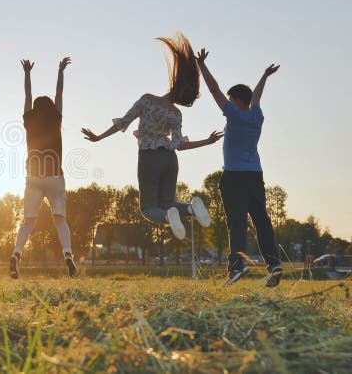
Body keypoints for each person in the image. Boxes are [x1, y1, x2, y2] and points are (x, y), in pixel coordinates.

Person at [81, 33, 221, 242]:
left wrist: (99, 137)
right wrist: (207, 142)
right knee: (169, 202)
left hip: (149, 157)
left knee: (149, 208)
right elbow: (179, 145)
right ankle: (191, 209)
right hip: (170, 160)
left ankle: (167, 216)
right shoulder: (175, 114)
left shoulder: (147, 100)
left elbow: (123, 123)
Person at [196, 48, 282, 287]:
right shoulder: (256, 116)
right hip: (255, 176)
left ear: (236, 100)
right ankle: (273, 264)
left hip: (234, 177)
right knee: (261, 221)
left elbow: (213, 90)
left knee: (236, 222)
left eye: (231, 98)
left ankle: (237, 267)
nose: (228, 101)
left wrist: (201, 65)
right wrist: (265, 75)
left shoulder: (234, 115)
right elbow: (257, 97)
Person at [10, 57, 78, 279]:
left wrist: (27, 73)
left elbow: (27, 96)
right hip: (55, 176)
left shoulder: (29, 119)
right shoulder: (56, 117)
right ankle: (68, 255)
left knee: (28, 222)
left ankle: (16, 255)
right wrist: (60, 71)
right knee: (60, 220)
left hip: (34, 176)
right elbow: (60, 94)